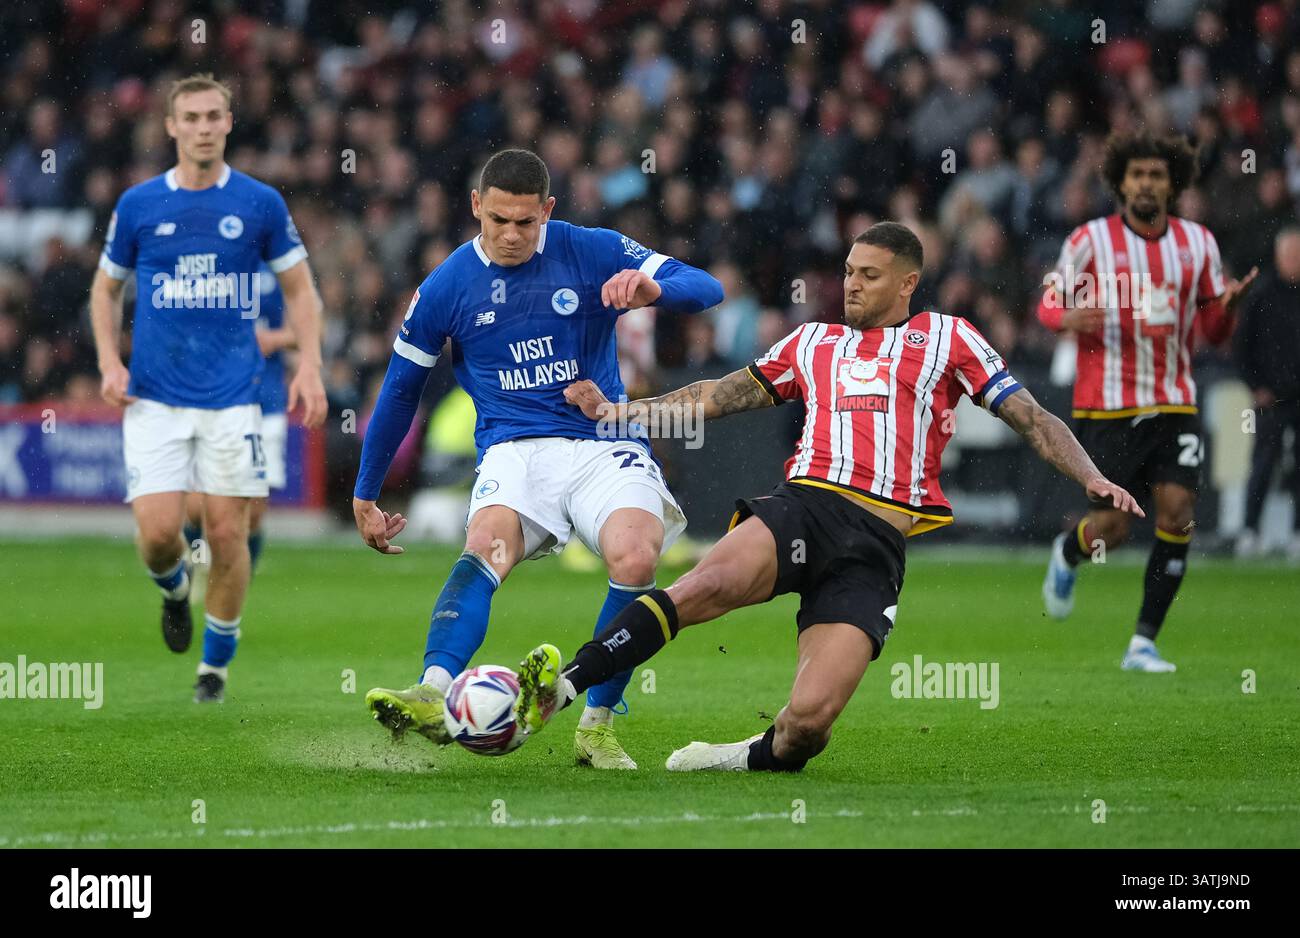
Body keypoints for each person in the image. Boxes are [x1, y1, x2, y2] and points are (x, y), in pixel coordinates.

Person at [508, 222, 1142, 773]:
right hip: (804, 506)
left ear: (907, 283)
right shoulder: (814, 342)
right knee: (698, 589)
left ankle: (740, 755)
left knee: (806, 729)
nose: (853, 285)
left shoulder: (949, 338)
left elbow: (1030, 416)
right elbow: (714, 398)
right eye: (848, 272)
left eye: (869, 275)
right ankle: (559, 691)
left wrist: (1090, 477)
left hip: (875, 547)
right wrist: (621, 414)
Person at [356, 148, 723, 769]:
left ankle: (597, 725)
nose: (510, 235)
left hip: (602, 440)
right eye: (497, 220)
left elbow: (707, 289)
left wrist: (653, 287)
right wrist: (367, 491)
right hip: (514, 448)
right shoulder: (446, 286)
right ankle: (434, 689)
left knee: (637, 556)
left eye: (525, 223)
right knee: (486, 544)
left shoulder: (593, 249)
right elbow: (399, 390)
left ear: (548, 212)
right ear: (476, 207)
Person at [90, 74, 327, 703]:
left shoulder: (259, 204)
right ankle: (173, 592)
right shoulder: (139, 205)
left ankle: (213, 670)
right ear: (170, 126)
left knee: (227, 533)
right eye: (189, 117)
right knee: (161, 534)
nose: (201, 127)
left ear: (228, 123)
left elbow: (301, 288)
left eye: (213, 116)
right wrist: (109, 362)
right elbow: (105, 289)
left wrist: (309, 365)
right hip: (154, 398)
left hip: (235, 398)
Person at [1036, 132, 1257, 673]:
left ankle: (1143, 643)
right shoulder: (1089, 240)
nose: (1147, 183)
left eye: (1157, 175)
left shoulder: (1199, 243)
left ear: (1172, 183)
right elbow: (1047, 302)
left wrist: (1226, 308)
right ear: (1120, 181)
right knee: (1112, 531)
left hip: (1175, 402)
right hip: (1105, 407)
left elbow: (1212, 329)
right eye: (1137, 174)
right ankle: (1068, 553)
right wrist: (1065, 318)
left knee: (1179, 514)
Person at [184, 264, 293, 601]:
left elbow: (308, 329)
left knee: (254, 509)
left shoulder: (283, 270)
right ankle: (198, 562)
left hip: (265, 403)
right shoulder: (209, 269)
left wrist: (275, 339)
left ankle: (237, 586)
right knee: (197, 504)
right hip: (214, 398)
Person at [1233, 227, 1300, 561]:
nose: (1293, 261)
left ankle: (1297, 534)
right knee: (1263, 463)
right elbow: (1241, 346)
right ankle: (1250, 530)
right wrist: (1255, 386)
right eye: (1289, 254)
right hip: (1270, 398)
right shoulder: (1261, 295)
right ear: (1278, 256)